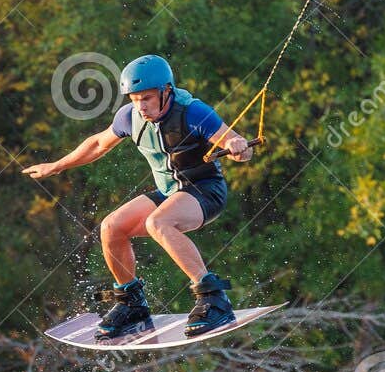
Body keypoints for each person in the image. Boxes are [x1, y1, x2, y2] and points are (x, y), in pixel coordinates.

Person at [23, 54, 254, 338]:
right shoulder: (129, 117)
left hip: (204, 191)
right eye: (134, 98)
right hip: (169, 193)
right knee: (111, 227)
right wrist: (57, 165)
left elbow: (233, 141)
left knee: (158, 223)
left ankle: (213, 298)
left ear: (166, 91)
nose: (140, 106)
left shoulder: (192, 112)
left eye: (146, 98)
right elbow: (97, 144)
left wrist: (238, 146)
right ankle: (132, 303)